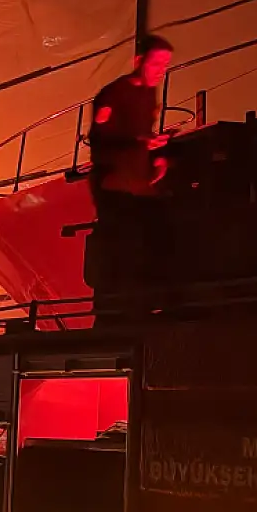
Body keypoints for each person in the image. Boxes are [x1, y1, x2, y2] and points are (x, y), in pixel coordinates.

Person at [85, 34, 175, 311]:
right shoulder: (114, 94)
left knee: (144, 245)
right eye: (156, 63)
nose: (161, 71)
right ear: (139, 61)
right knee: (121, 249)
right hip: (115, 185)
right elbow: (100, 137)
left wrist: (158, 158)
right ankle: (114, 308)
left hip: (137, 185)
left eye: (165, 65)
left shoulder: (149, 94)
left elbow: (141, 134)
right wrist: (140, 143)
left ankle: (142, 304)